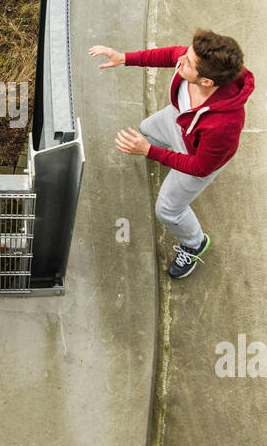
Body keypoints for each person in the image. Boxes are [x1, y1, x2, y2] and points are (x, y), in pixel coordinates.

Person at [89, 29, 254, 278]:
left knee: (167, 210)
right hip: (179, 121)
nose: (180, 60)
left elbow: (200, 167)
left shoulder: (224, 126)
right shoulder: (199, 62)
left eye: (187, 62)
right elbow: (168, 55)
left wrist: (150, 152)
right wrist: (124, 58)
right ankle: (160, 150)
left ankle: (194, 243)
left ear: (207, 82)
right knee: (147, 129)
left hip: (197, 157)